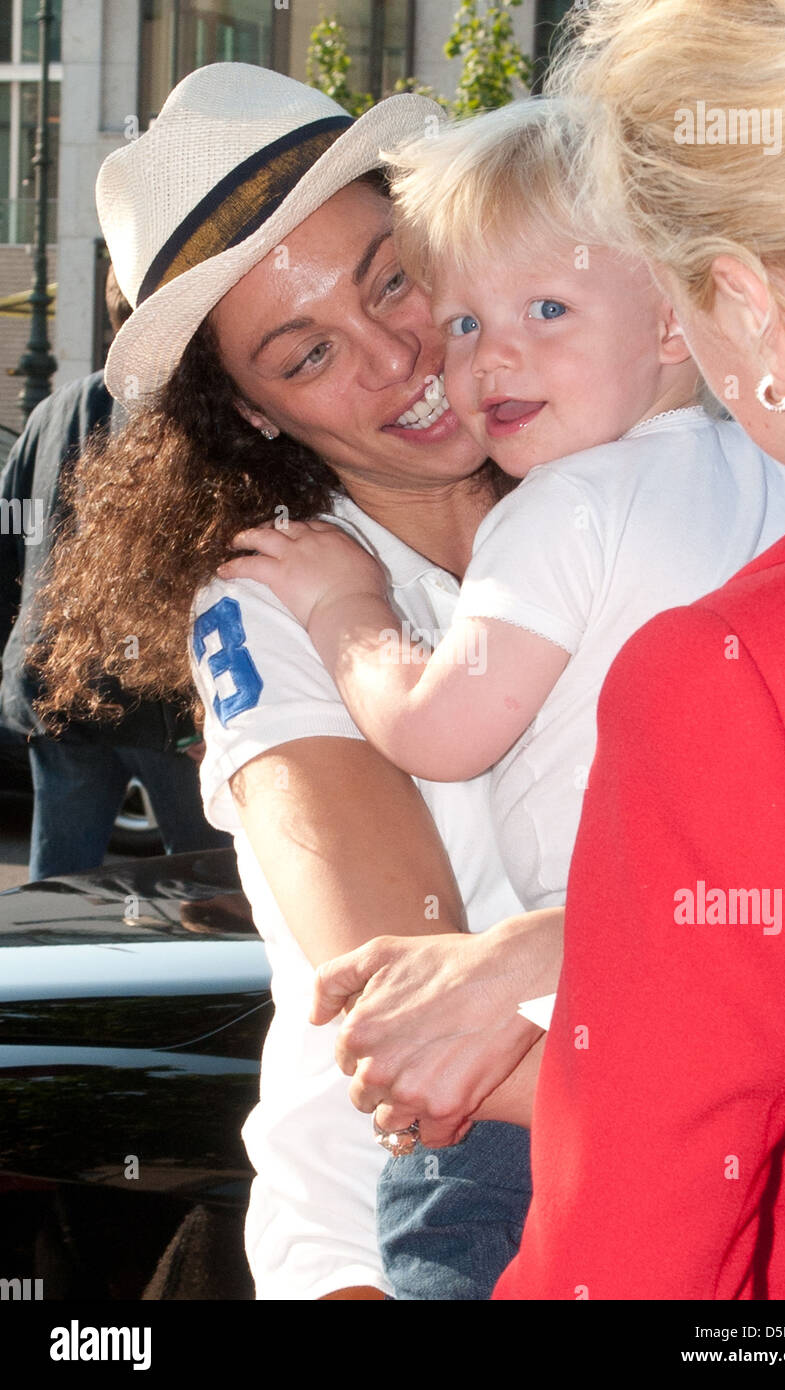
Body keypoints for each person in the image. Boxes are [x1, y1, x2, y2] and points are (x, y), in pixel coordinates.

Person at [310, 0, 785, 1301]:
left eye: (548, 307)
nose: (482, 355)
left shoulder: (716, 660)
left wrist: (348, 623)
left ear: (723, 307)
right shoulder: (764, 512)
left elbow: (630, 1249)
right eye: (461, 322)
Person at [32, 62, 535, 1301]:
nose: (394, 356)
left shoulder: (627, 485)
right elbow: (414, 1015)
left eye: (393, 280)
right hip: (410, 1243)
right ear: (248, 414)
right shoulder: (268, 610)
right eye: (307, 354)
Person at [0, 269, 229, 879]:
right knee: (212, 883)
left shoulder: (51, 413)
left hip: (59, 689)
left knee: (56, 887)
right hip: (166, 703)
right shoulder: (189, 417)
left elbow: (8, 542)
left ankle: (54, 966)